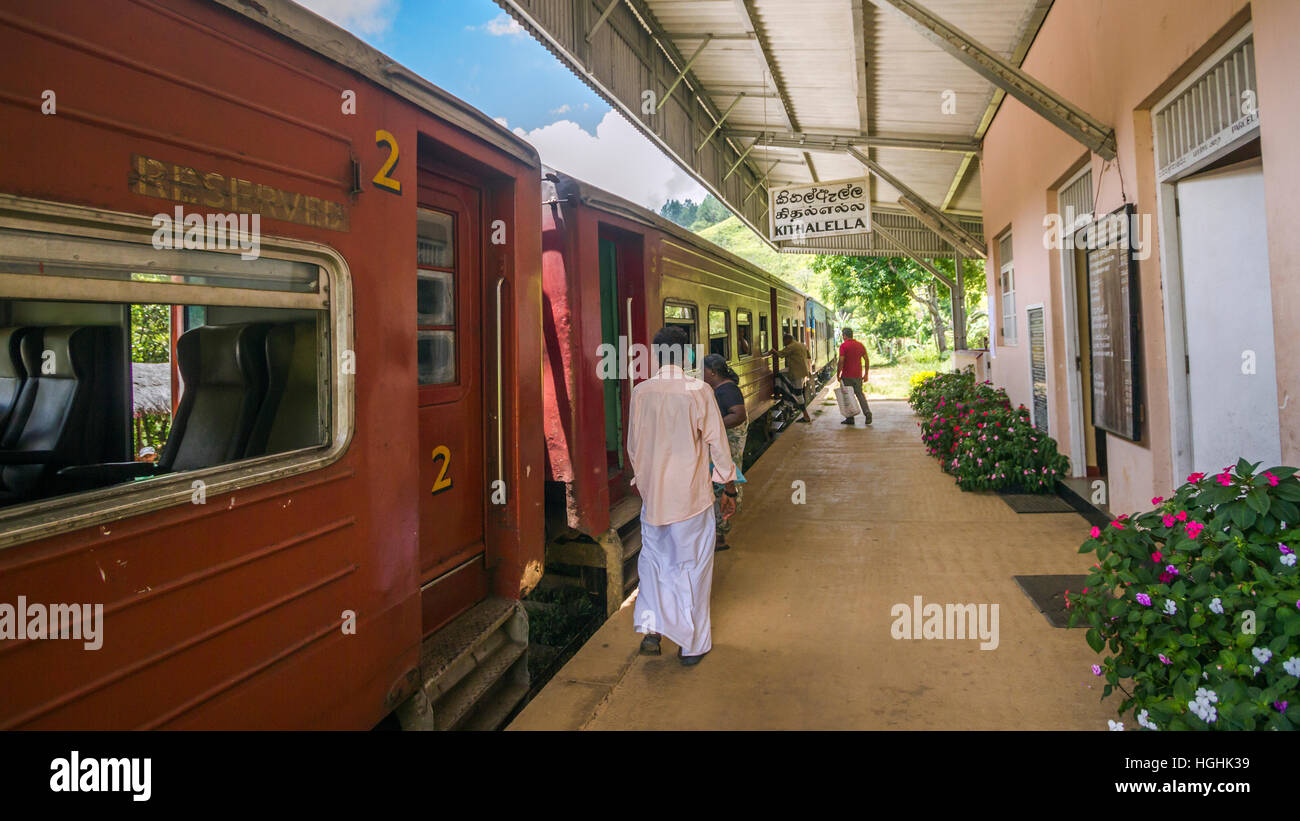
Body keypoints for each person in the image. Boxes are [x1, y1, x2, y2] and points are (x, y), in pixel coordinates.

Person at [627, 326, 737, 667]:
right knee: (691, 567)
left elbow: (634, 447)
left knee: (654, 564)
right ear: (687, 354)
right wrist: (728, 486)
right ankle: (691, 646)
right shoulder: (699, 390)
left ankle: (651, 631)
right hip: (691, 498)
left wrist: (647, 487)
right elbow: (718, 443)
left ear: (658, 356)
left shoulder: (641, 392)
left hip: (654, 500)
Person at [701, 353, 746, 552]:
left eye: (703, 371)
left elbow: (738, 415)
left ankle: (719, 535)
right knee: (721, 485)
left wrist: (711, 427)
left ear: (712, 372)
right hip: (727, 447)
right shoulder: (723, 388)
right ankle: (719, 533)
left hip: (729, 447)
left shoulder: (726, 390)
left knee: (723, 486)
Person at [774, 332, 813, 424]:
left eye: (784, 341)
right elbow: (809, 356)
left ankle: (806, 415)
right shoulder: (801, 345)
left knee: (798, 395)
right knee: (781, 375)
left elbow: (780, 354)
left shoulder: (791, 346)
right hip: (802, 371)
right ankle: (788, 394)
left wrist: (772, 351)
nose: (783, 343)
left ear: (788, 340)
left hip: (796, 373)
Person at [837, 327, 871, 425]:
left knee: (847, 396)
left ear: (844, 335)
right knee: (860, 394)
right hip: (858, 376)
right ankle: (867, 413)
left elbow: (841, 361)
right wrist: (866, 374)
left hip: (847, 376)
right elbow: (867, 359)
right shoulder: (860, 345)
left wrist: (838, 374)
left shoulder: (843, 346)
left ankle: (850, 418)